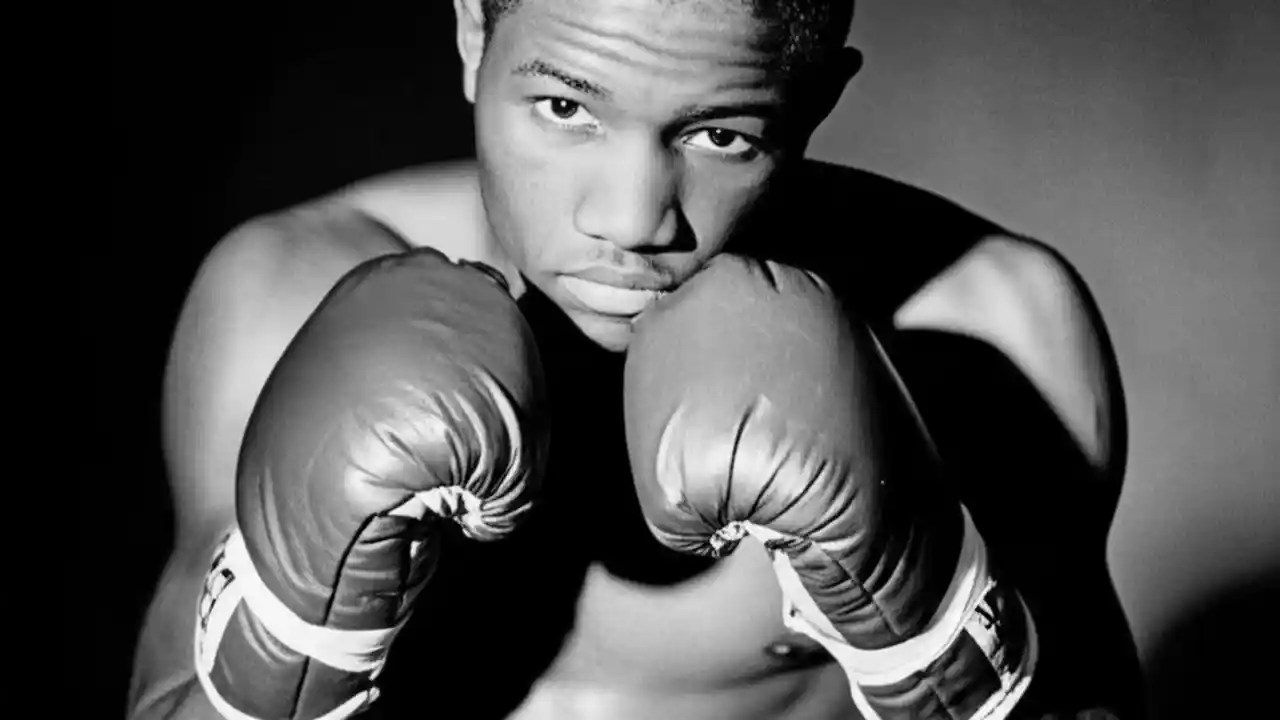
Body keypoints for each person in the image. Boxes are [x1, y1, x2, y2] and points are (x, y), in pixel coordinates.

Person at [126, 1, 1145, 718]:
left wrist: (929, 630)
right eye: (567, 109)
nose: (629, 220)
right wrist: (289, 645)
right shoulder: (286, 295)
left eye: (717, 134)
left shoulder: (979, 328)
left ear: (815, 100)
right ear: (472, 34)